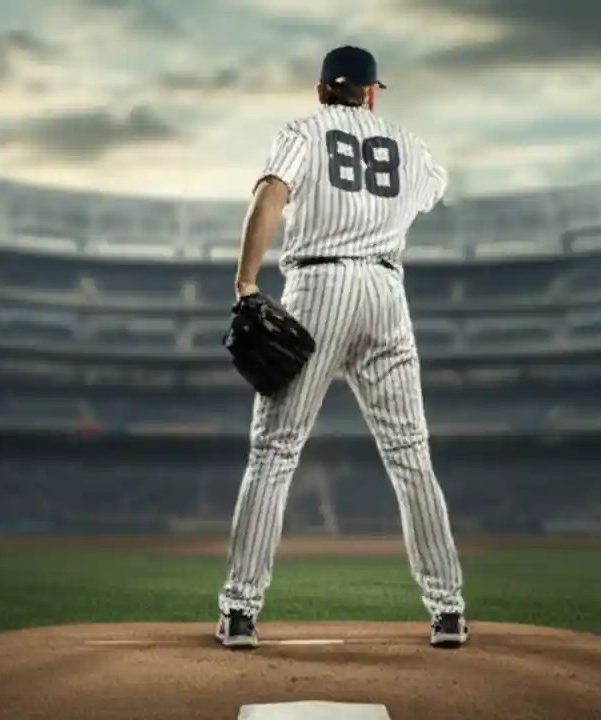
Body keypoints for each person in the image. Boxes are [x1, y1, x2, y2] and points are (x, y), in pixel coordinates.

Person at [214, 45, 467, 650]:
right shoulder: (410, 145)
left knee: (275, 453)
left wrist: (246, 283)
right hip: (385, 293)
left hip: (319, 286)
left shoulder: (303, 130)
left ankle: (241, 611)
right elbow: (433, 189)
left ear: (323, 89)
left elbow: (271, 194)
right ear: (372, 94)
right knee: (411, 457)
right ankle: (448, 610)